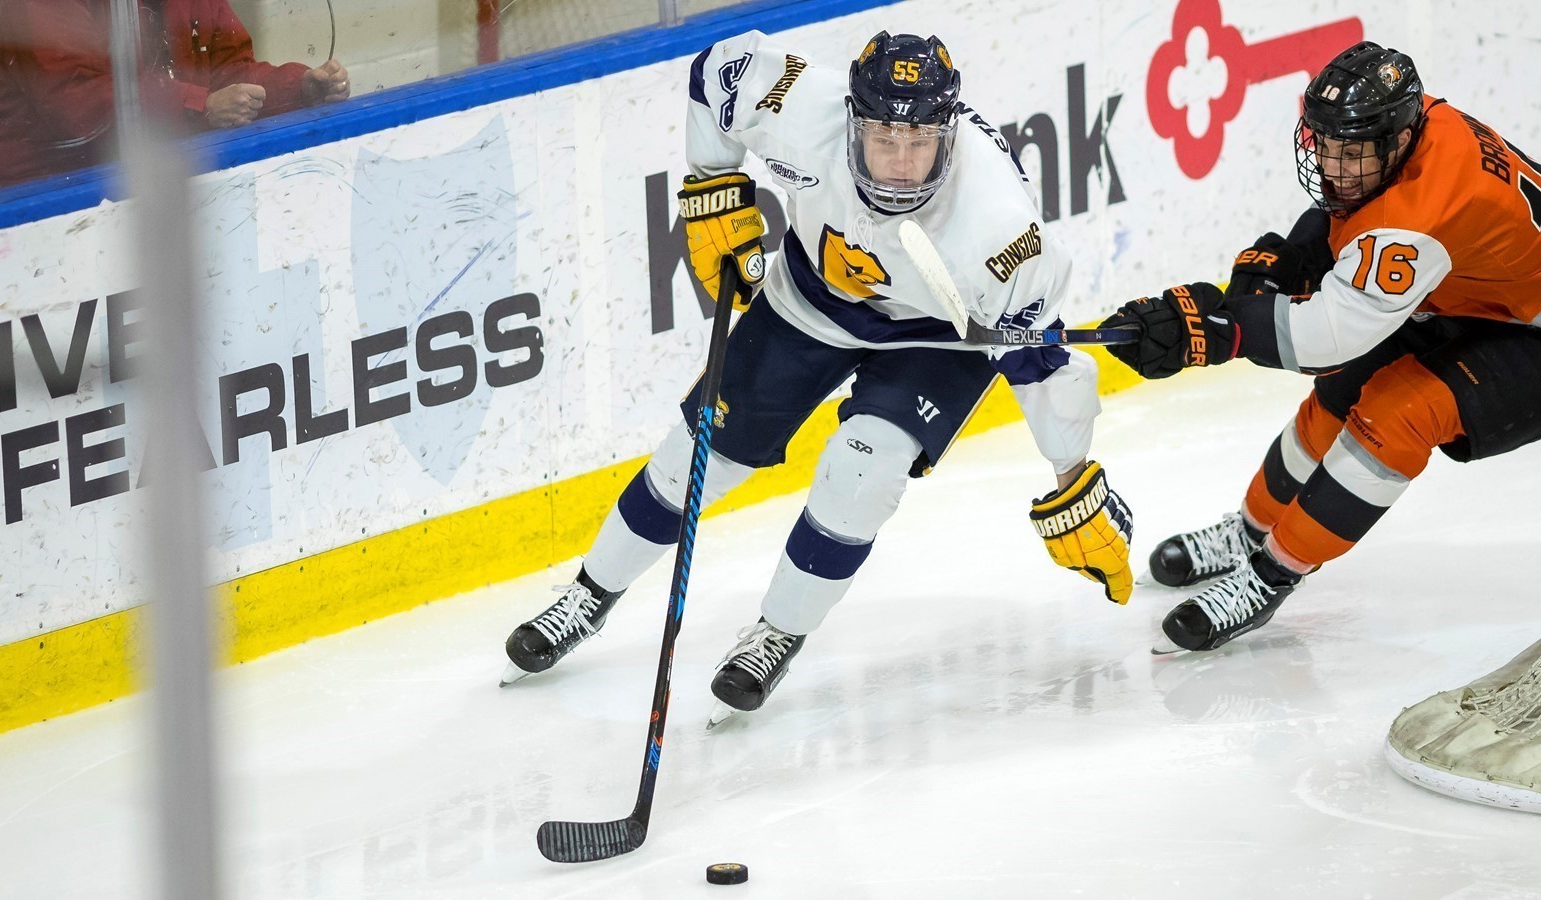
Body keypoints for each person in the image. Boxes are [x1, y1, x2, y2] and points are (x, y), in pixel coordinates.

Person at [499, 30, 1135, 724]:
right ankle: (590, 596)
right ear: (853, 116)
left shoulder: (1000, 226)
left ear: (948, 133)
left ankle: (776, 633)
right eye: (883, 139)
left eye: (918, 142)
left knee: (859, 472)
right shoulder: (800, 104)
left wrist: (1073, 475)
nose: (898, 163)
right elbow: (717, 72)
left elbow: (1038, 360)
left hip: (938, 341)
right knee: (695, 459)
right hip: (809, 301)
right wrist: (712, 182)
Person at [1100, 41, 1541, 652]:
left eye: (1351, 152)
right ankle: (1250, 529)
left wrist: (1220, 332)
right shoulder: (1419, 127)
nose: (1334, 165)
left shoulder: (1423, 213)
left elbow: (1325, 336)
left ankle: (1269, 575)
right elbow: (1352, 221)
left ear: (1397, 138)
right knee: (1345, 389)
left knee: (1400, 411)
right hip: (1478, 296)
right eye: (1327, 146)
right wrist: (1294, 256)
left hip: (1530, 335)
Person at [0, 0, 350, 194]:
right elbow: (76, 99)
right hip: (32, 202)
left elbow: (229, 71)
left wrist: (298, 88)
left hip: (144, 184)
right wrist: (200, 106)